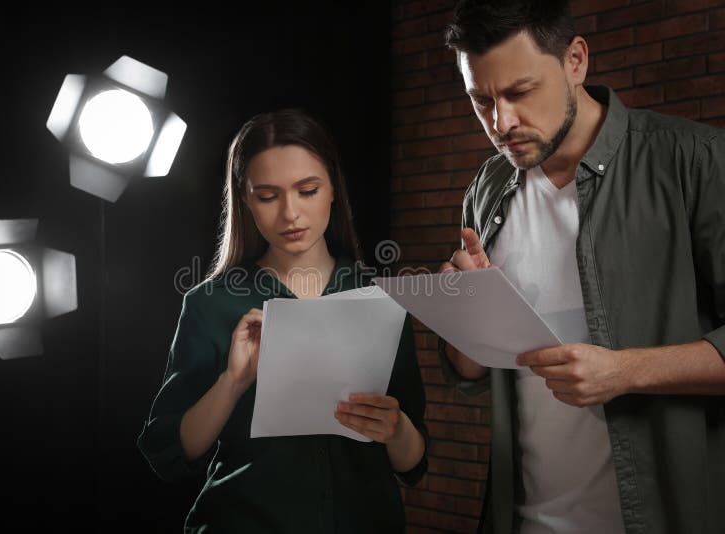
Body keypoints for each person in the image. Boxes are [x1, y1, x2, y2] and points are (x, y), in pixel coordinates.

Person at [436, 1, 725, 533]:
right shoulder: (487, 189)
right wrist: (469, 311)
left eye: (520, 92)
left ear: (575, 60)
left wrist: (624, 372)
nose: (502, 123)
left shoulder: (695, 161)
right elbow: (471, 371)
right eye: (482, 101)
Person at [137, 109, 428, 533]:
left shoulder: (380, 298)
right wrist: (233, 382)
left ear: (332, 189)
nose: (290, 213)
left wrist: (395, 426)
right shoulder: (211, 303)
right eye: (269, 196)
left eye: (307, 190)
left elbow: (413, 460)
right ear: (245, 200)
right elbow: (171, 450)